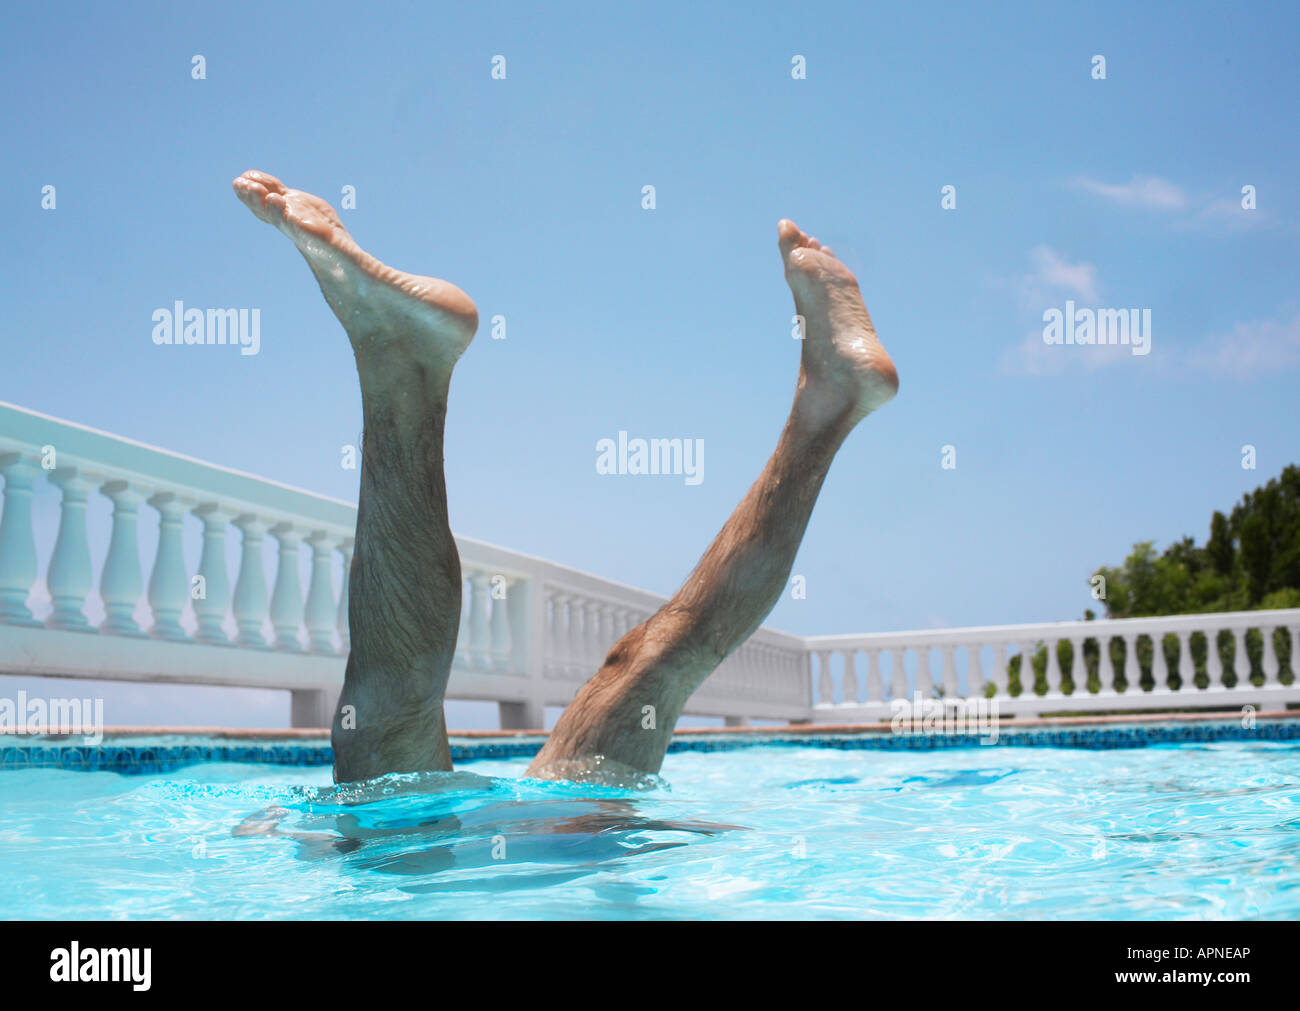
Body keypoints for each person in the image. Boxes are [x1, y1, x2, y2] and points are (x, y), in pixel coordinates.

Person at [233, 170, 898, 785]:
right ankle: (828, 403)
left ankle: (398, 364)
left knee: (656, 664)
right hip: (550, 841)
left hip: (555, 841)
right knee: (641, 667)